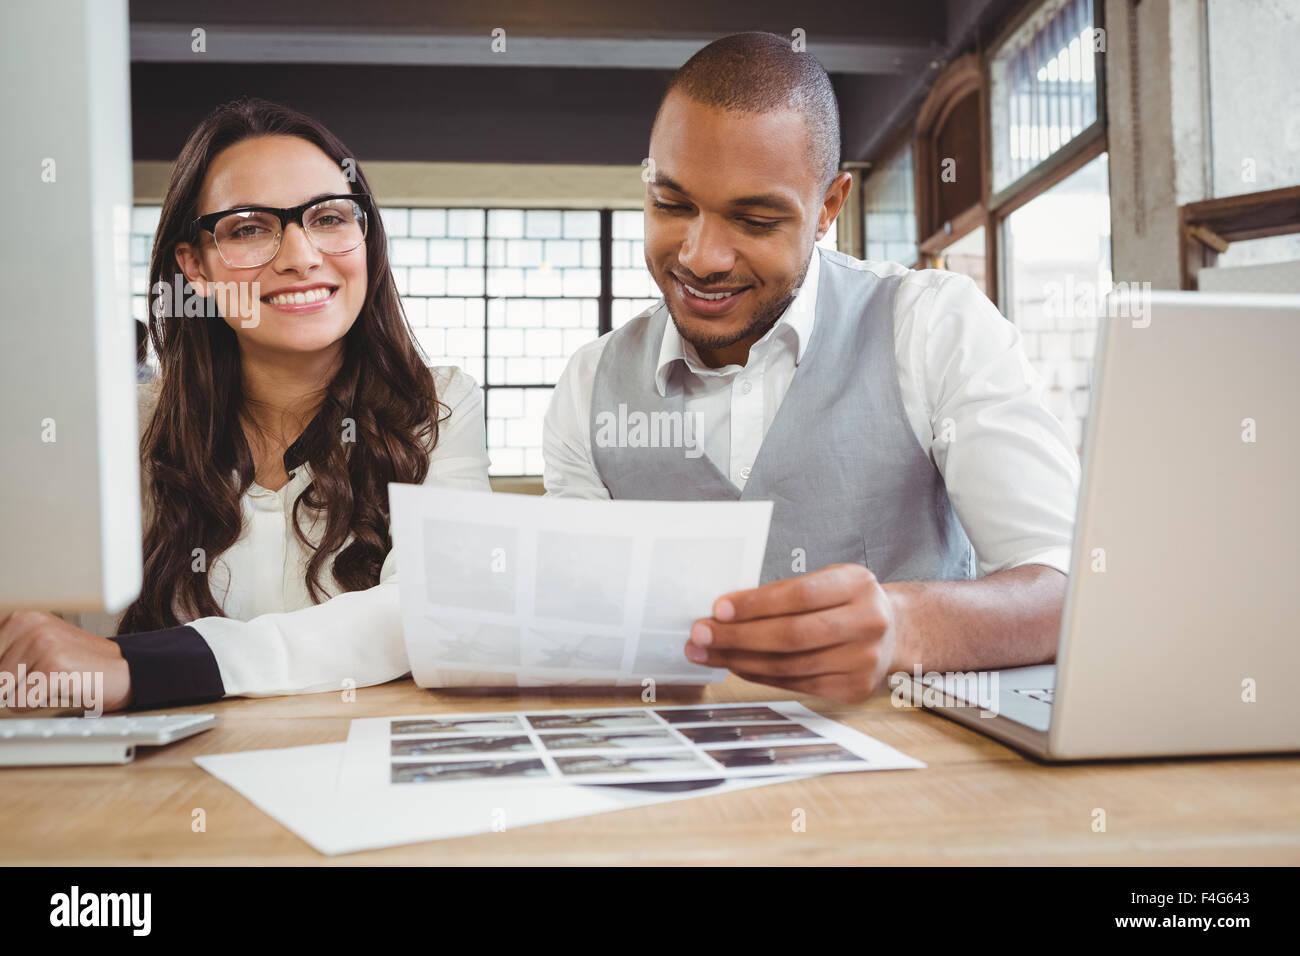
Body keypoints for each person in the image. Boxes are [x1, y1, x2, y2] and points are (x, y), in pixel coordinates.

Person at [543, 33, 1081, 704]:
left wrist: (908, 628)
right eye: (672, 205)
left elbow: (1070, 584)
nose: (702, 256)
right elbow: (575, 619)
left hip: (912, 783)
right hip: (671, 783)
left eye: (756, 219)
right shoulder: (588, 387)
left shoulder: (933, 327)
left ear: (828, 207)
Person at [0, 99, 490, 711]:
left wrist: (150, 666)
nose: (300, 256)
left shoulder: (437, 406)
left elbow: (428, 608)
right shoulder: (120, 431)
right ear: (194, 268)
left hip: (360, 771)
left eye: (330, 217)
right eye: (249, 229)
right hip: (160, 789)